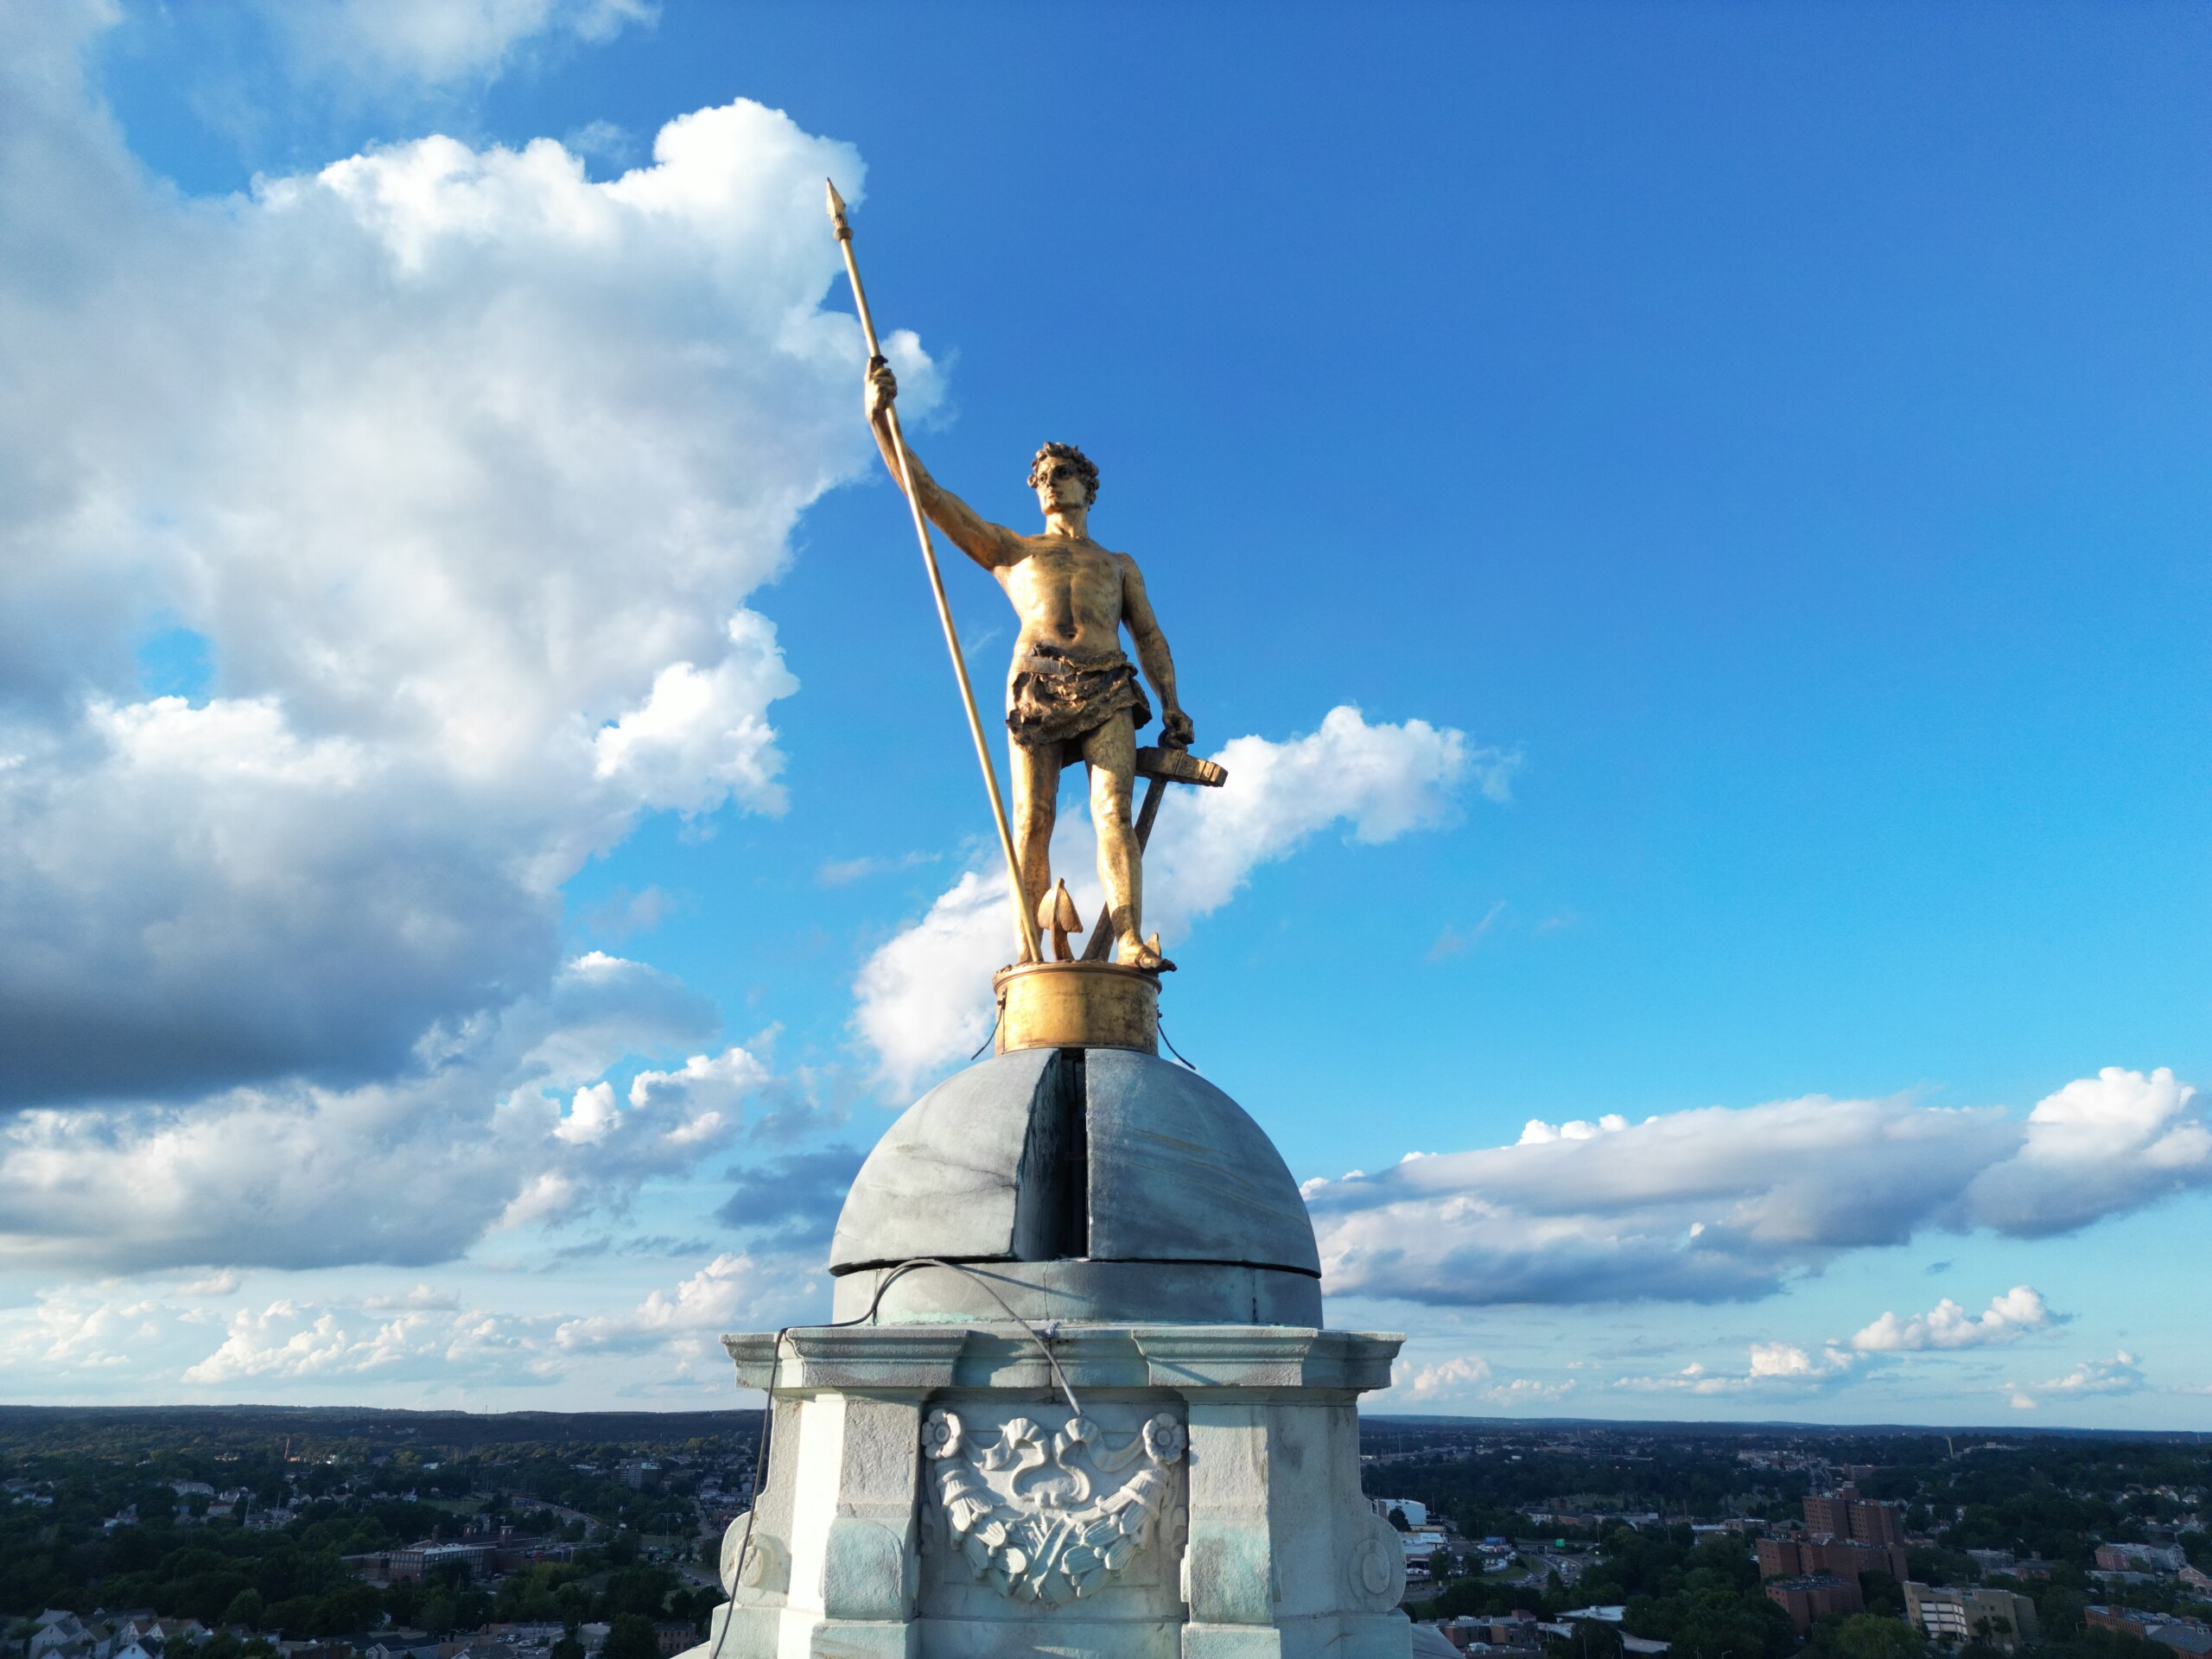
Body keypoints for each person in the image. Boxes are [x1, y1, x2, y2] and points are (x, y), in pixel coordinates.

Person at [865, 358, 1191, 970]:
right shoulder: (1012, 550)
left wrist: (1172, 703)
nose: (1049, 482)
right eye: (1041, 475)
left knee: (1112, 813)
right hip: (1038, 682)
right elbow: (929, 498)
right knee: (1031, 819)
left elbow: (1148, 635)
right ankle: (1026, 946)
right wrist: (884, 425)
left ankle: (1127, 939)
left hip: (1109, 683)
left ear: (1087, 487)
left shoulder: (1118, 564)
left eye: (1062, 473)